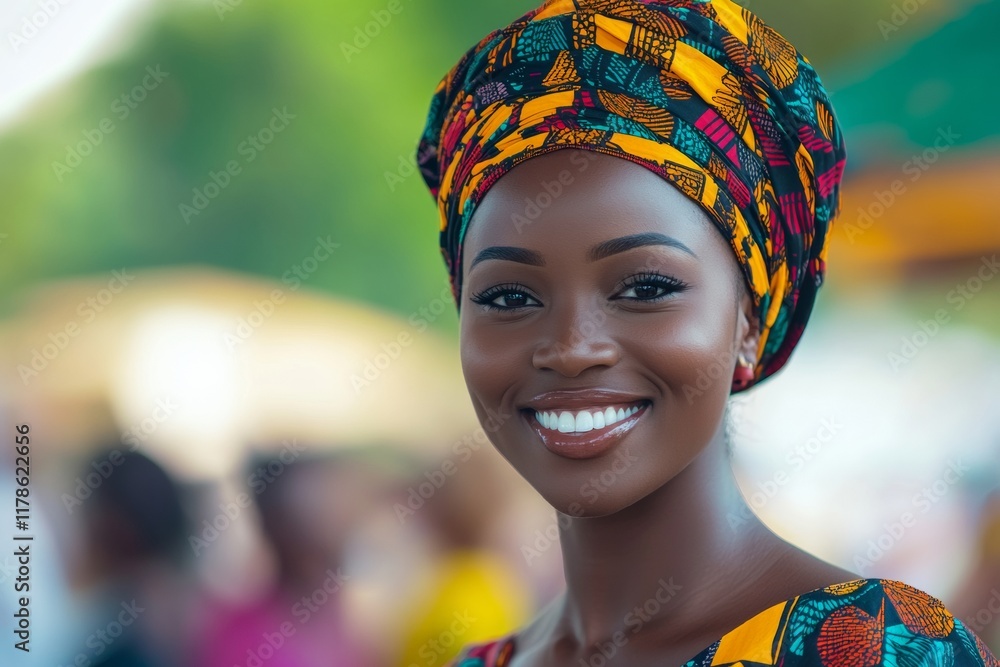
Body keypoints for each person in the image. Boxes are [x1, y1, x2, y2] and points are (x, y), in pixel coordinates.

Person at [413, 1, 1000, 666]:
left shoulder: (872, 647)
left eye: (645, 287)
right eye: (510, 295)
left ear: (748, 321)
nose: (573, 346)